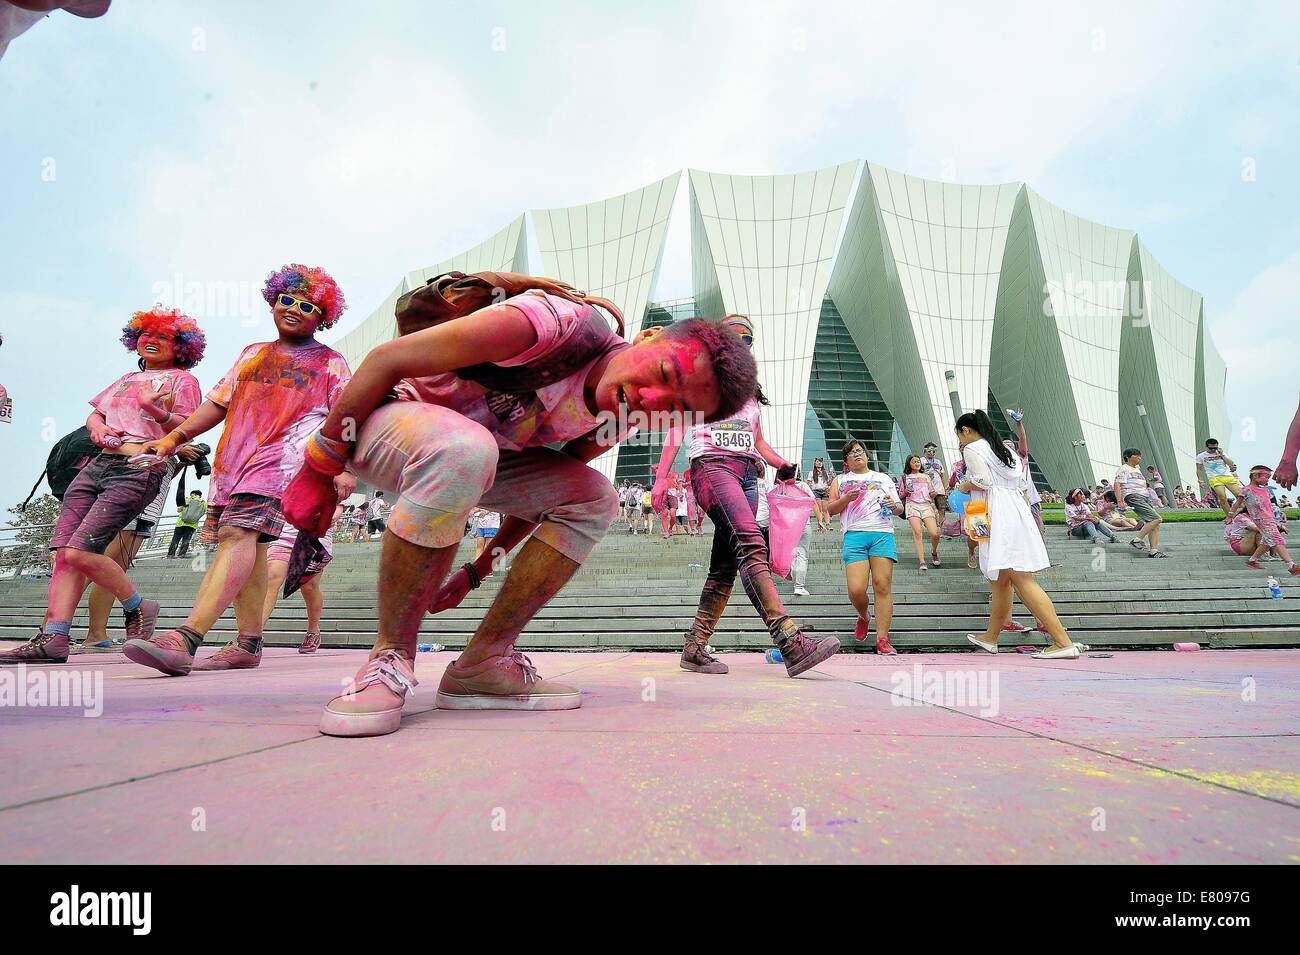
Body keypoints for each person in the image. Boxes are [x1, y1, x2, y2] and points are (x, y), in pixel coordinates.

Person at [284, 287, 759, 736]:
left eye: (674, 409)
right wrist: (319, 467)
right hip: (385, 418)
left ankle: (483, 664)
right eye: (664, 375)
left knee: (595, 498)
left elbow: (549, 495)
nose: (650, 400)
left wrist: (478, 568)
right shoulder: (553, 325)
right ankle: (390, 659)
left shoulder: (623, 414)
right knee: (465, 449)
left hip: (480, 455)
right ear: (649, 337)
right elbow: (387, 359)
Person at [124, 263, 353, 675]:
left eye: (309, 305)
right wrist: (174, 438)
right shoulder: (252, 354)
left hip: (285, 466)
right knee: (255, 547)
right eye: (287, 299)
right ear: (272, 301)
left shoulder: (331, 363)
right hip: (234, 467)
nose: (295, 309)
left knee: (238, 534)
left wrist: (343, 466)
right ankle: (248, 642)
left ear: (324, 317)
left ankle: (186, 638)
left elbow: (347, 415)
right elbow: (217, 403)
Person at [651, 315, 838, 677]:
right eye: (733, 337)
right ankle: (789, 640)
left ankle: (694, 648)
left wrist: (780, 462)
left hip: (748, 476)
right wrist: (661, 480)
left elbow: (758, 440)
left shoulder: (748, 391)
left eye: (747, 340)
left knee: (724, 567)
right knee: (752, 544)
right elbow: (676, 430)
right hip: (712, 469)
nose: (741, 343)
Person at [954, 410, 1080, 659]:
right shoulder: (1005, 450)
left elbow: (982, 480)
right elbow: (1022, 485)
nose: (960, 441)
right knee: (1001, 580)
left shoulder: (973, 449)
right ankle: (990, 638)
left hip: (994, 511)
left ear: (966, 431)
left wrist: (963, 485)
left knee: (1021, 578)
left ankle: (1063, 642)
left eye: (959, 435)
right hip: (1014, 511)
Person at [825, 439, 903, 654]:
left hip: (882, 534)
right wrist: (846, 499)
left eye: (860, 451)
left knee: (882, 585)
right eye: (852, 453)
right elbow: (830, 509)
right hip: (854, 535)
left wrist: (893, 506)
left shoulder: (882, 478)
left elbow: (899, 507)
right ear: (846, 461)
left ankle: (883, 639)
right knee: (856, 589)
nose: (857, 454)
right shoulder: (840, 480)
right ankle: (863, 615)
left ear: (867, 455)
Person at [261, 502, 344, 654]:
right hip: (284, 535)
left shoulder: (335, 478)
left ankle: (313, 629)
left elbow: (339, 505)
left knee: (309, 587)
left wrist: (329, 517)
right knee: (271, 577)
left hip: (315, 538)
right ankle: (254, 635)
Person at [1231, 465, 1300, 574]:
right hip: (1260, 519)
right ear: (1255, 476)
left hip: (1269, 519)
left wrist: (1277, 520)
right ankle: (1292, 565)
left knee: (1267, 541)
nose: (1267, 479)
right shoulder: (1247, 490)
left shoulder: (1265, 491)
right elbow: (1237, 503)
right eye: (1265, 477)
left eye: (1268, 477)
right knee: (1277, 539)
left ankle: (1252, 560)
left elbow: (1269, 507)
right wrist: (1230, 515)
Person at [1115, 449, 1168, 558]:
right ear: (1128, 457)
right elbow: (1117, 485)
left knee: (1154, 523)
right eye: (1136, 456)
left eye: (1140, 456)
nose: (1139, 458)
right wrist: (1120, 501)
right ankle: (1136, 540)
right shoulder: (1124, 469)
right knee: (1156, 519)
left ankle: (1154, 551)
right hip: (1133, 496)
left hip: (1144, 497)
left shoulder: (1137, 470)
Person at [899, 454, 941, 569]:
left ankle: (934, 551)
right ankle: (922, 561)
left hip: (926, 505)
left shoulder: (926, 476)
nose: (917, 463)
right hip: (912, 505)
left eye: (918, 461)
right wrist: (907, 491)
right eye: (914, 462)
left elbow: (931, 492)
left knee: (935, 534)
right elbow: (901, 495)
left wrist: (935, 494)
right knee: (917, 532)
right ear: (909, 464)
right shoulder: (905, 477)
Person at [1195, 438, 1242, 513]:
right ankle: (1229, 516)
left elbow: (1231, 463)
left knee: (1240, 495)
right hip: (1214, 478)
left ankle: (1249, 514)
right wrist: (1200, 480)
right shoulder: (1201, 456)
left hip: (1227, 476)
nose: (1213, 450)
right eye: (1211, 448)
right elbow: (1199, 469)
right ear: (1206, 447)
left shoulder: (1221, 453)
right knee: (1222, 497)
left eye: (1215, 448)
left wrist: (1222, 454)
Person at [167, 489, 207, 558]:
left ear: (193, 494)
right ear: (200, 496)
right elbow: (204, 512)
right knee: (186, 540)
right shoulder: (204, 503)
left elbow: (179, 510)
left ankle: (170, 555)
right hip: (193, 525)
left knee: (175, 539)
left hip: (181, 523)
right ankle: (181, 555)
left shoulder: (187, 499)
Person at [920, 442, 949, 529]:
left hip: (939, 489)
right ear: (925, 451)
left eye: (933, 451)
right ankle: (932, 525)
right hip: (927, 489)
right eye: (929, 451)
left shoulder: (938, 461)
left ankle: (941, 526)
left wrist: (945, 489)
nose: (931, 453)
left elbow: (942, 476)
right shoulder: (921, 460)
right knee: (930, 508)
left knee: (942, 508)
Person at [809, 457, 833, 531]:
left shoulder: (825, 472)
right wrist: (811, 490)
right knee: (819, 509)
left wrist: (830, 485)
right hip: (816, 492)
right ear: (815, 463)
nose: (819, 463)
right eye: (817, 462)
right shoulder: (811, 472)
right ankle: (820, 525)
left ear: (822, 464)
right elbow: (809, 482)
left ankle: (828, 524)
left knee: (825, 509)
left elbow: (829, 482)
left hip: (825, 491)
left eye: (820, 462)